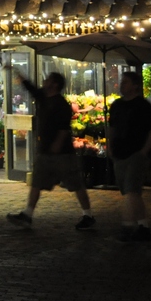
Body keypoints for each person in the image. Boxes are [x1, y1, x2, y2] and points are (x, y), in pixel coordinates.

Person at [7, 73, 95, 231]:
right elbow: (31, 88)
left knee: (75, 184)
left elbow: (63, 128)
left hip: (63, 154)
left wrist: (57, 144)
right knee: (36, 182)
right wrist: (18, 74)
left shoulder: (61, 104)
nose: (45, 82)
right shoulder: (43, 97)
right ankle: (27, 214)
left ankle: (87, 215)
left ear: (54, 84)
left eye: (48, 80)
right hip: (46, 151)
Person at [107, 71, 151, 242]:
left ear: (135, 86)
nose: (122, 85)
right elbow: (112, 127)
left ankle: (128, 226)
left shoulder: (142, 106)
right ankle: (143, 226)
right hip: (119, 153)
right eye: (122, 82)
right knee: (131, 193)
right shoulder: (116, 105)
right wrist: (109, 146)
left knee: (131, 190)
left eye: (126, 82)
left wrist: (145, 149)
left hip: (136, 154)